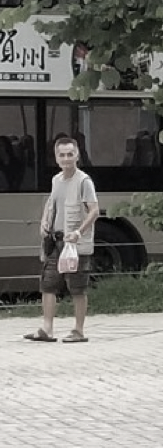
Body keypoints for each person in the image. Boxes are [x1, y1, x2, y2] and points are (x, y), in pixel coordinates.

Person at [24, 137, 100, 343]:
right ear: (56, 158)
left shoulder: (84, 181)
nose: (66, 159)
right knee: (48, 284)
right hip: (55, 241)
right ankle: (47, 329)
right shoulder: (56, 180)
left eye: (70, 154)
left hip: (75, 244)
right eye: (62, 155)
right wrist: (44, 222)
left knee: (77, 287)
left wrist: (78, 232)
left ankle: (78, 330)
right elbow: (52, 203)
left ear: (77, 155)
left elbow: (94, 211)